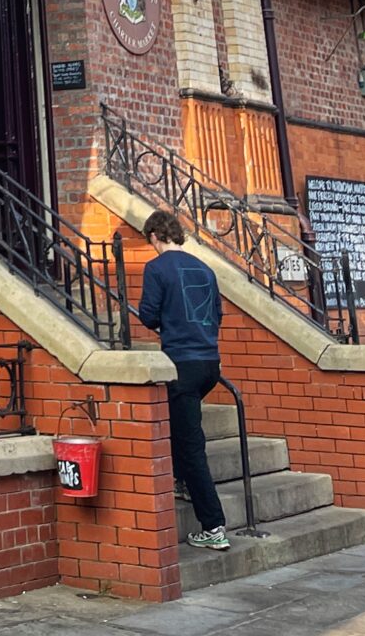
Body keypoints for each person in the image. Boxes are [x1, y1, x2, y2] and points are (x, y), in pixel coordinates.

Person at [138, 209, 230, 551]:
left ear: (153, 237)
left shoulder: (156, 268)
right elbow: (218, 314)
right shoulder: (204, 268)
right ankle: (182, 481)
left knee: (192, 448)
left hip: (181, 363)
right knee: (182, 427)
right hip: (210, 363)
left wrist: (166, 323)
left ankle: (214, 526)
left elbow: (148, 313)